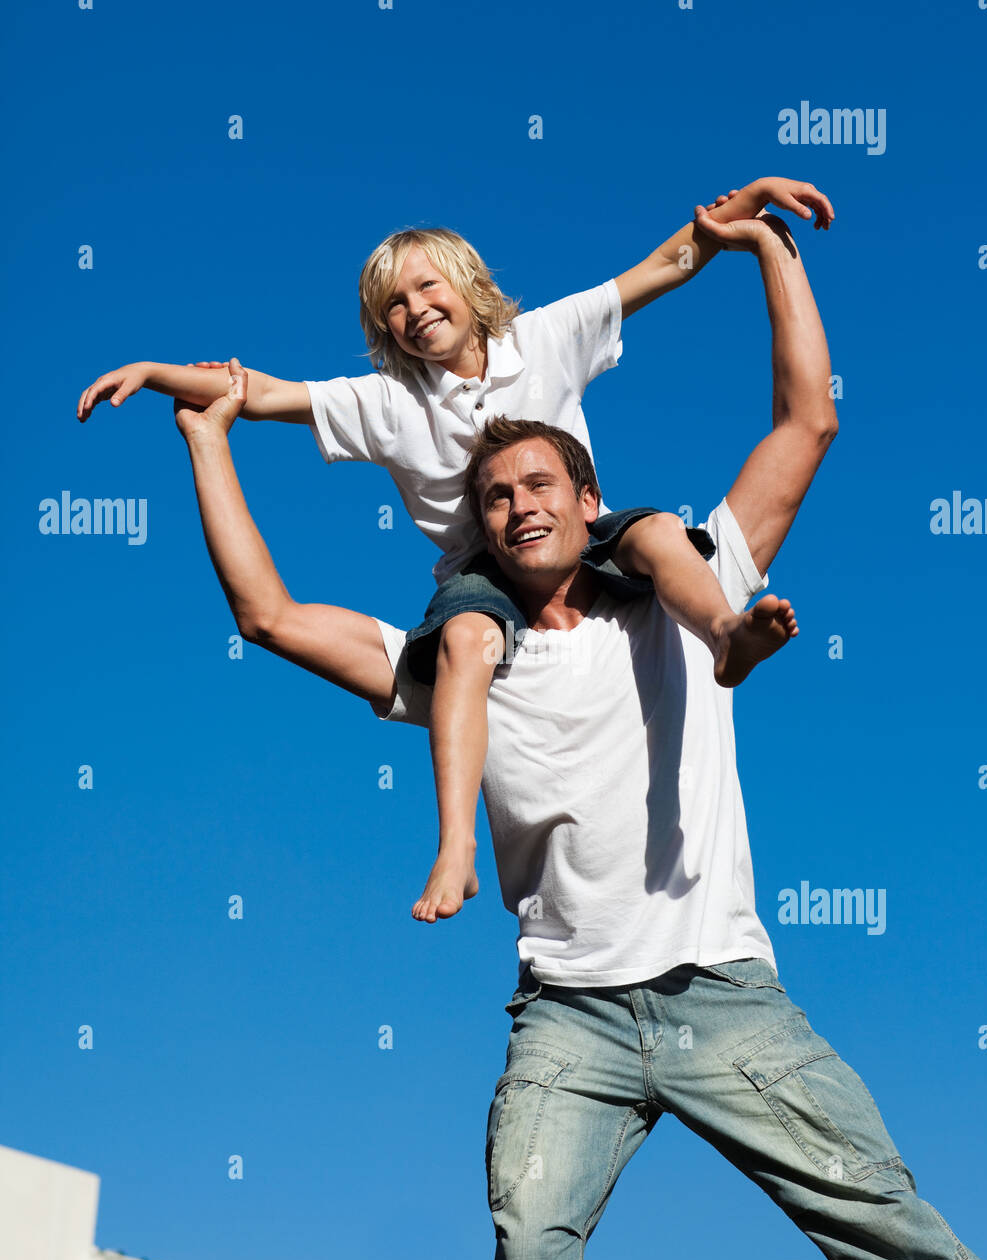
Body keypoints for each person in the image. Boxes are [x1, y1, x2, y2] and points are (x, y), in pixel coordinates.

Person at [168, 209, 987, 1260]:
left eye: (539, 486)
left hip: (723, 992)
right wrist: (208, 441)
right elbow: (270, 616)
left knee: (906, 1250)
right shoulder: (458, 657)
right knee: (530, 1252)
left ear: (588, 502)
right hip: (568, 1016)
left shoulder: (675, 587)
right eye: (495, 495)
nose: (518, 505)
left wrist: (767, 250)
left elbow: (807, 425)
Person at [76, 178, 834, 925]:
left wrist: (753, 216)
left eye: (425, 289)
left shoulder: (542, 339)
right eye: (392, 309)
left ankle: (724, 634)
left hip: (602, 544)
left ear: (470, 285)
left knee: (663, 536)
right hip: (477, 580)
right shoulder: (388, 399)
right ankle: (454, 844)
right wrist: (154, 377)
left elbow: (669, 263)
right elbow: (260, 395)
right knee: (466, 641)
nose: (413, 312)